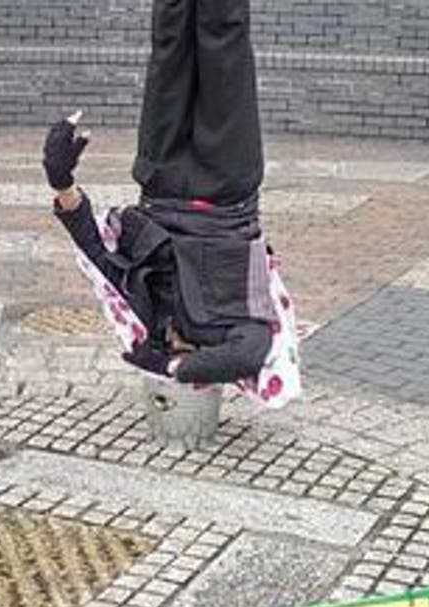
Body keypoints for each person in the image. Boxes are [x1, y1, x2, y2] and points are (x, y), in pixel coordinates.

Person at [43, 0, 297, 400]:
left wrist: (60, 180)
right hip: (225, 189)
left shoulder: (145, 316)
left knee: (169, 47)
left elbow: (93, 248)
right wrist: (170, 368)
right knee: (224, 45)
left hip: (160, 182)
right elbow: (249, 356)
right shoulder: (235, 331)